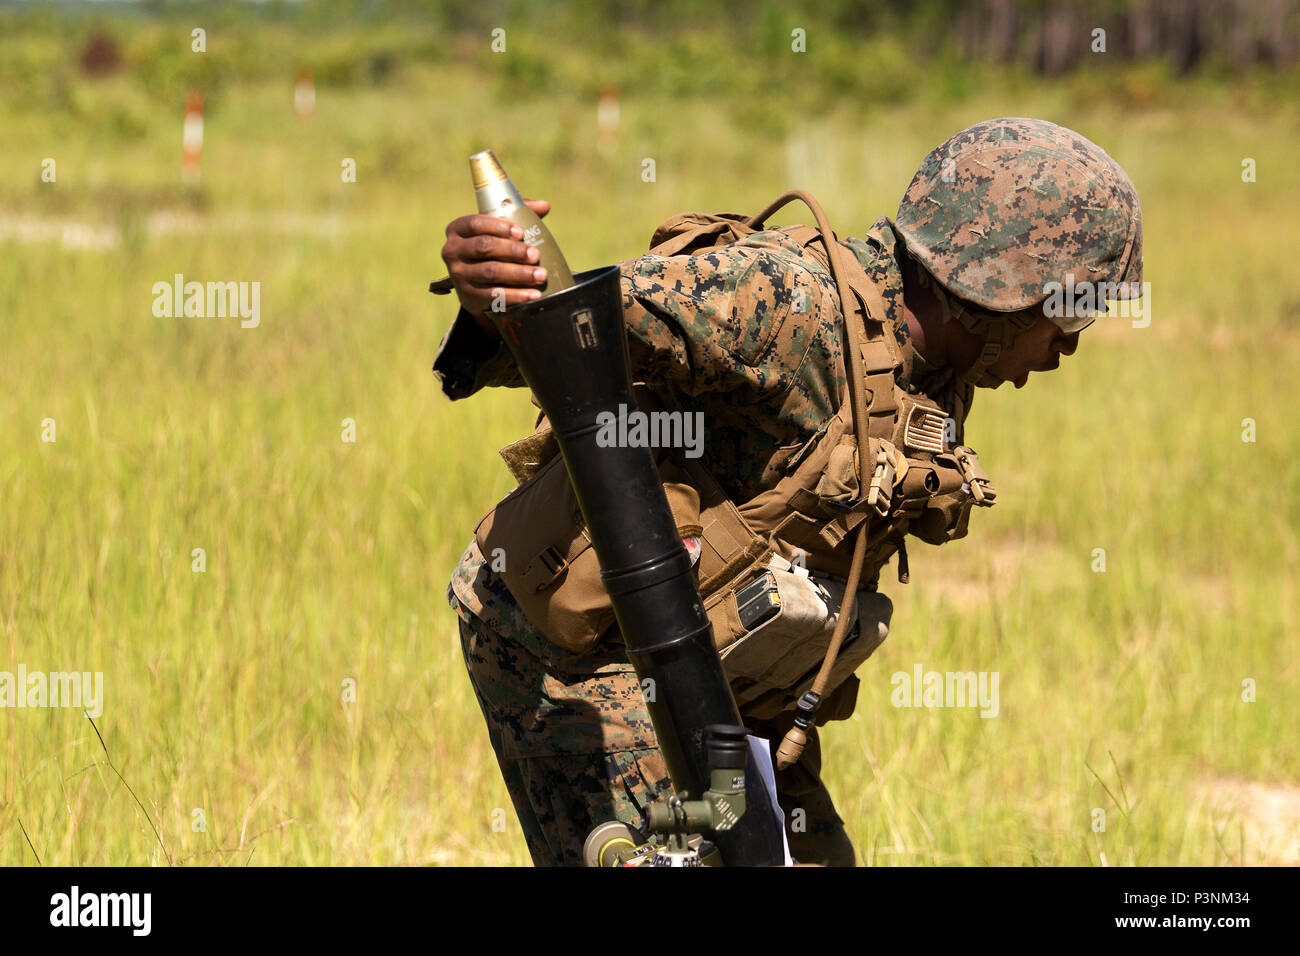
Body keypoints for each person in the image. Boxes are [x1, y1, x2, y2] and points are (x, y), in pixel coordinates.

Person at [432, 117, 1143, 866]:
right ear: (996, 284)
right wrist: (493, 296)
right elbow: (565, 337)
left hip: (720, 678)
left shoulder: (937, 360)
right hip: (582, 660)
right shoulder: (781, 304)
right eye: (1064, 316)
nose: (1066, 347)